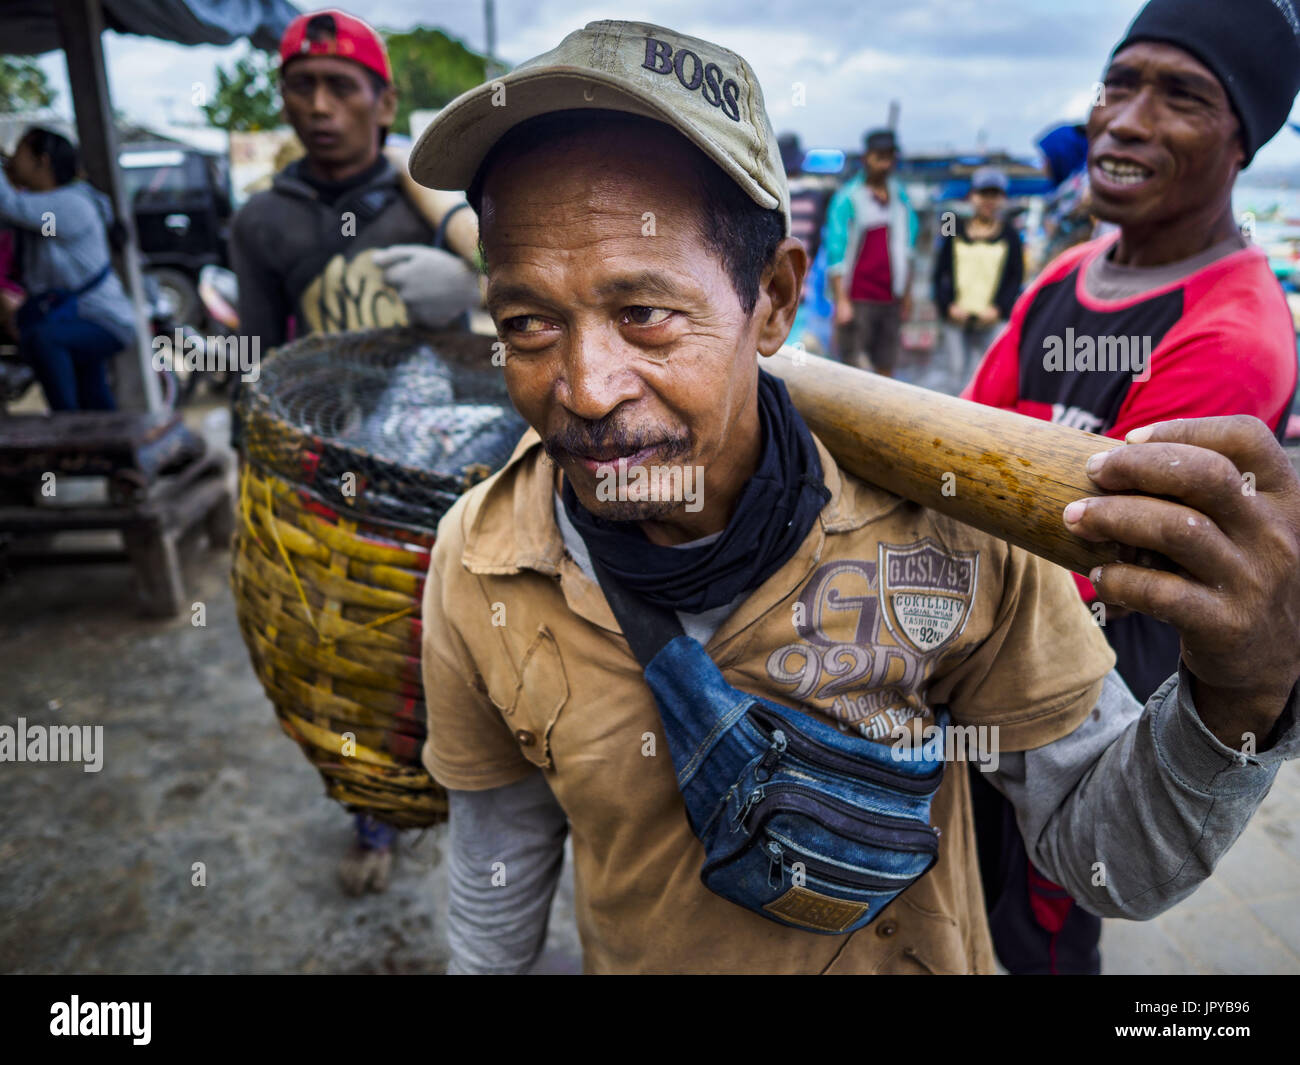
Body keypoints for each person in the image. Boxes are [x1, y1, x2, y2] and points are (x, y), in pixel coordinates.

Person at [411, 18, 1300, 975]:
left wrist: (1245, 691)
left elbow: (1107, 860)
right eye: (528, 322)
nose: (585, 390)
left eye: (647, 315)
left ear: (777, 299)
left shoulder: (951, 531)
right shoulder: (483, 561)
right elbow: (495, 877)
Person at [963, 0, 1300, 974]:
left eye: (1180, 95)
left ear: (1242, 139)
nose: (1125, 119)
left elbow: (1089, 553)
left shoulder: (1233, 331)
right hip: (979, 666)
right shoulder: (1067, 273)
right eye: (1120, 82)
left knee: (1044, 914)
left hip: (1090, 692)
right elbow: (957, 445)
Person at [229, 8, 482, 897]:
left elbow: (513, 326)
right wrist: (252, 477)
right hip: (328, 478)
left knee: (451, 644)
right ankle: (373, 813)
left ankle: (471, 794)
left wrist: (470, 290)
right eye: (303, 86)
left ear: (384, 101)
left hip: (439, 462)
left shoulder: (432, 203)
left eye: (344, 87)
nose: (321, 105)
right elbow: (256, 365)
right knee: (352, 648)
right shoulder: (266, 220)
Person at [0, 127, 135, 411]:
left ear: (43, 160)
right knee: (94, 398)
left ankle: (67, 431)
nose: (12, 159)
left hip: (100, 319)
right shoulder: (50, 210)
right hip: (72, 315)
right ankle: (102, 441)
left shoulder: (69, 204)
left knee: (43, 340)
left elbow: (8, 206)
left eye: (20, 152)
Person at [823, 128, 917, 377]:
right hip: (858, 298)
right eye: (879, 157)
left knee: (886, 364)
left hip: (890, 298)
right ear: (866, 159)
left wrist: (907, 295)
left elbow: (908, 249)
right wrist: (841, 301)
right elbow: (836, 252)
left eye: (889, 157)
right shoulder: (848, 198)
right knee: (853, 366)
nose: (885, 164)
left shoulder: (900, 198)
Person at [931, 167, 1023, 390]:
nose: (988, 201)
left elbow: (1015, 277)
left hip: (991, 320)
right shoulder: (952, 227)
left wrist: (999, 309)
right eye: (983, 194)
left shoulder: (1010, 234)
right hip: (956, 319)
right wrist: (947, 306)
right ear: (972, 196)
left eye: (995, 195)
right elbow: (939, 271)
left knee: (991, 377)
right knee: (955, 375)